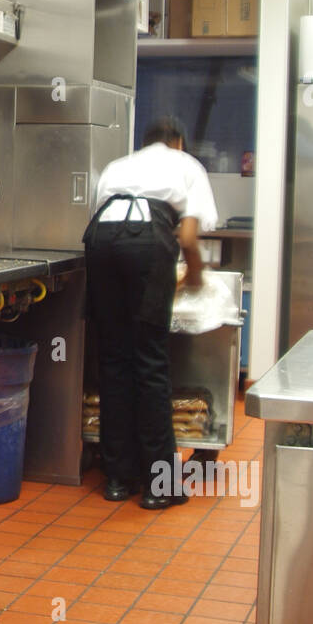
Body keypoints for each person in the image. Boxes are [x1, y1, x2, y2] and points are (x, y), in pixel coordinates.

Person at [84, 117, 218, 509]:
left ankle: (117, 479)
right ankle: (160, 486)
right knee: (149, 362)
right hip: (146, 243)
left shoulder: (118, 167)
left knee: (113, 359)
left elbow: (106, 221)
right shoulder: (186, 164)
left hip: (101, 243)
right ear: (177, 142)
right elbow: (189, 237)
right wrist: (194, 276)